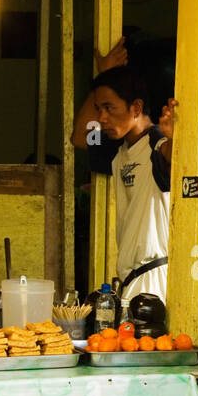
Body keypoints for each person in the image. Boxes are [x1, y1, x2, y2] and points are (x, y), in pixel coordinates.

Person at [71, 44, 177, 303]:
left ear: (136, 108)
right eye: (98, 109)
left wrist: (177, 137)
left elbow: (174, 161)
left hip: (155, 281)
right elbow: (80, 137)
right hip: (131, 279)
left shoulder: (157, 144)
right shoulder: (118, 151)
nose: (102, 118)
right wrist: (102, 78)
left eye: (109, 108)